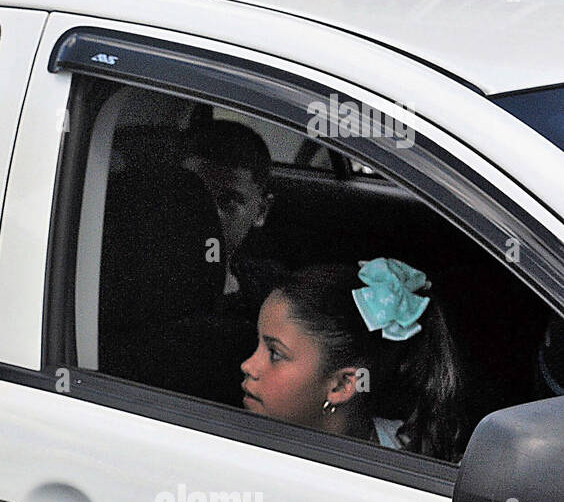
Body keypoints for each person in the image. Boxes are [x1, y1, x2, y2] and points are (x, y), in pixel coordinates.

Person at [240, 259, 465, 462]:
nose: (247, 366)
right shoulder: (233, 448)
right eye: (256, 345)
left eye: (275, 354)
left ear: (342, 384)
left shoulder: (411, 454)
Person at [180, 120, 282, 323]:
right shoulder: (134, 284)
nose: (207, 214)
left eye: (228, 201)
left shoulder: (272, 290)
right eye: (193, 196)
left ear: (261, 211)